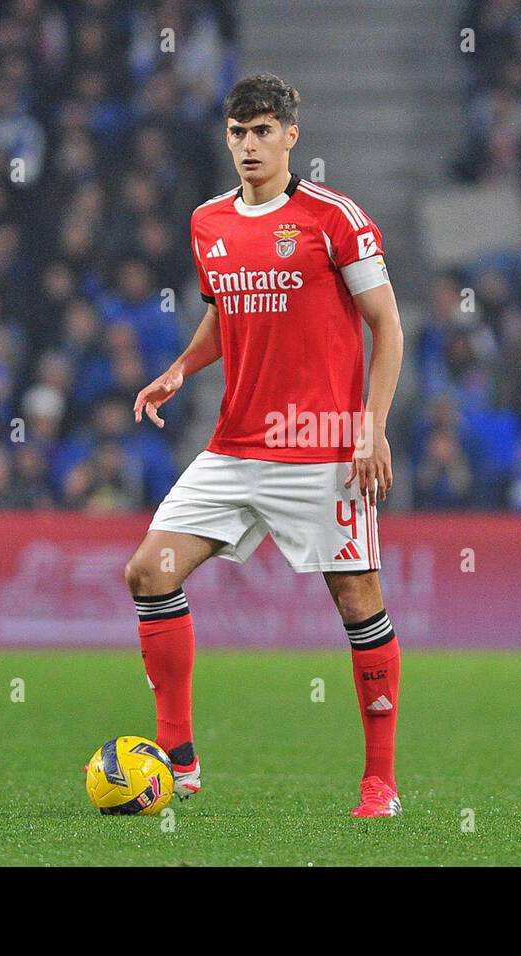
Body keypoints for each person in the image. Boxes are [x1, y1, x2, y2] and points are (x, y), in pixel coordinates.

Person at [124, 74, 405, 817]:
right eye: (238, 132)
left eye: (262, 130)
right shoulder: (207, 223)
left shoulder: (334, 219)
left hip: (321, 448)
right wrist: (180, 369)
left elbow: (387, 326)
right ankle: (178, 764)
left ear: (291, 136)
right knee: (149, 572)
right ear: (227, 137)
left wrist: (370, 428)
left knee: (357, 601)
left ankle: (380, 782)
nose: (249, 144)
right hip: (236, 444)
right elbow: (225, 316)